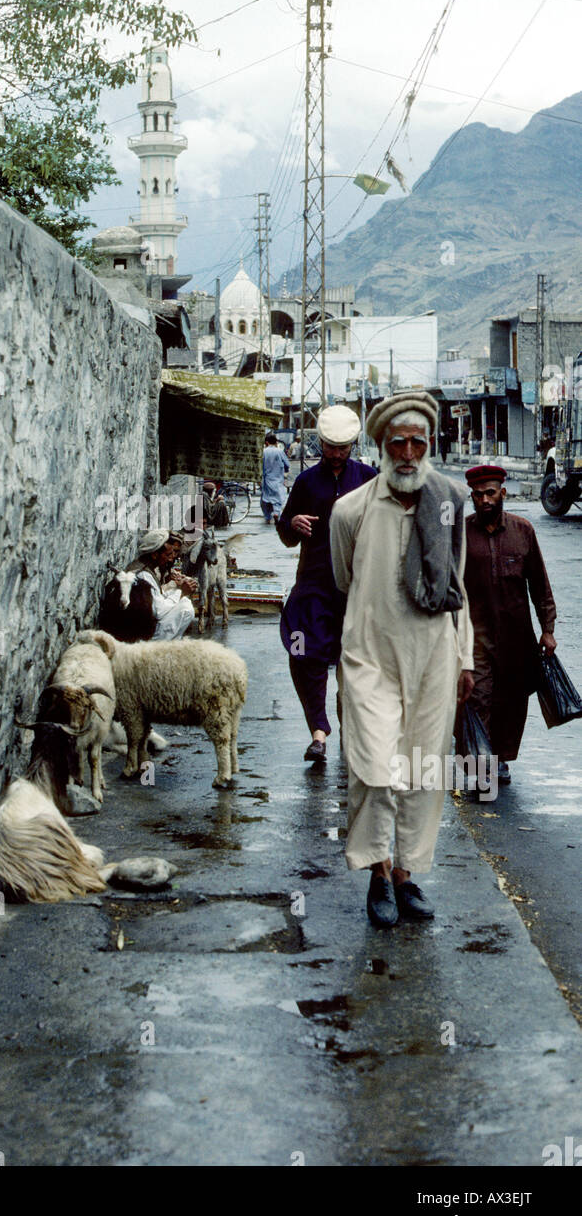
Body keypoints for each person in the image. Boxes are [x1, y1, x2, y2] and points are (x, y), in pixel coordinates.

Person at [329, 391, 475, 928]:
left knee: (423, 768)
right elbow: (345, 580)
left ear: (430, 444)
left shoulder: (450, 502)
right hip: (370, 656)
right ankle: (376, 870)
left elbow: (456, 586)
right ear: (383, 447)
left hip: (434, 657)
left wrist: (465, 657)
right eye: (399, 443)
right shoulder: (350, 510)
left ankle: (407, 875)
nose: (409, 453)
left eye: (419, 442)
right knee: (373, 766)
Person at [276, 405, 376, 762]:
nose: (336, 455)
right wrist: (293, 524)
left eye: (343, 448)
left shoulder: (369, 478)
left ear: (353, 444)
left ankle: (353, 733)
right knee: (305, 655)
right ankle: (318, 733)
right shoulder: (305, 482)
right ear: (320, 443)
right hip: (315, 585)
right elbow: (286, 532)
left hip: (358, 588)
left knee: (357, 663)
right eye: (330, 447)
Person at [462, 464, 557, 785]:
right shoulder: (461, 535)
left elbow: (540, 585)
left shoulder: (523, 531)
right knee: (478, 697)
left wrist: (547, 629)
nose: (485, 500)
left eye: (490, 493)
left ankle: (501, 758)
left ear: (503, 493)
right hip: (475, 637)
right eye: (478, 495)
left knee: (512, 700)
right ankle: (479, 762)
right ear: (472, 497)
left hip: (517, 637)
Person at [127, 529, 197, 640]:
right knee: (186, 609)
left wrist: (177, 588)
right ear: (155, 555)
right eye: (168, 554)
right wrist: (181, 591)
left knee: (184, 601)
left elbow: (156, 598)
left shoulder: (146, 569)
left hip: (144, 624)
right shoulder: (143, 575)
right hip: (141, 634)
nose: (171, 558)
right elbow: (159, 611)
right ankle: (161, 645)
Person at [261, 433, 289, 524]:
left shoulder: (264, 452)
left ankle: (267, 516)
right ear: (276, 442)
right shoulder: (280, 451)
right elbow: (287, 464)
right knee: (278, 498)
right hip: (278, 479)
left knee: (266, 499)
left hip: (267, 479)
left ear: (266, 442)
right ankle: (276, 512)